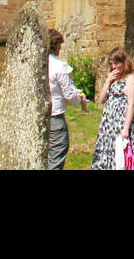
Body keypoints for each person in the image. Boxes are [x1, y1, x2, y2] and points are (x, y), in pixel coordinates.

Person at [91, 47, 134, 170]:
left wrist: (126, 129)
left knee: (120, 157)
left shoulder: (131, 78)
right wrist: (107, 80)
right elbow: (101, 99)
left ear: (124, 63)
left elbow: (131, 104)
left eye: (116, 63)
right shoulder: (113, 79)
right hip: (109, 123)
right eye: (111, 64)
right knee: (105, 153)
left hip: (121, 122)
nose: (113, 67)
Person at [47, 28, 88, 170]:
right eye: (59, 45)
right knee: (56, 156)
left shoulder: (36, 64)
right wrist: (80, 100)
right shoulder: (58, 66)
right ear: (55, 45)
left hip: (37, 116)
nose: (60, 48)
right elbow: (69, 94)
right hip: (55, 117)